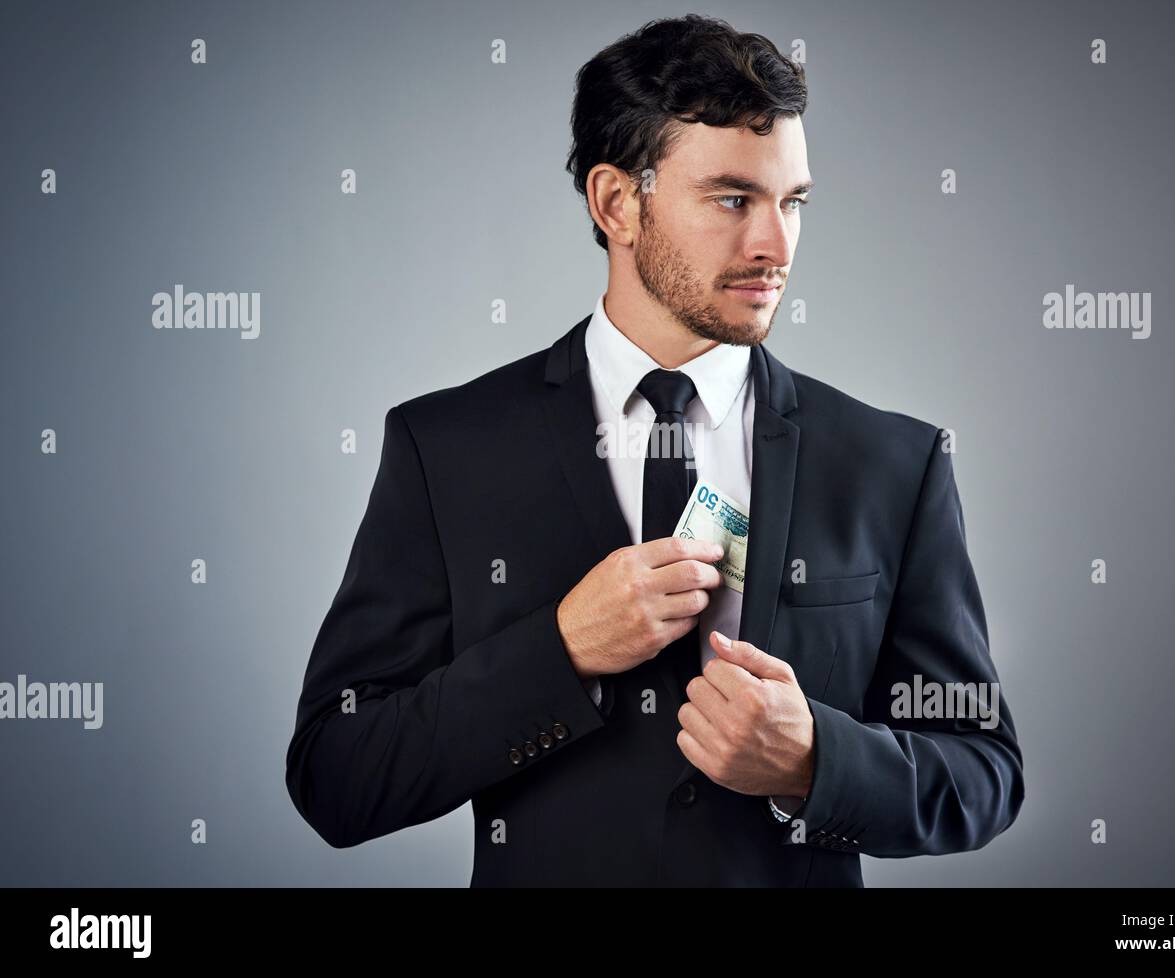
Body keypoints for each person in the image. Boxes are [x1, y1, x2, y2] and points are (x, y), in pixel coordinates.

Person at [285, 13, 1024, 887]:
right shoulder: (446, 447)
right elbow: (338, 777)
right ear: (616, 203)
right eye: (732, 199)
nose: (775, 246)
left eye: (793, 203)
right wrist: (556, 652)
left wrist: (816, 761)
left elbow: (986, 773)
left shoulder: (893, 464)